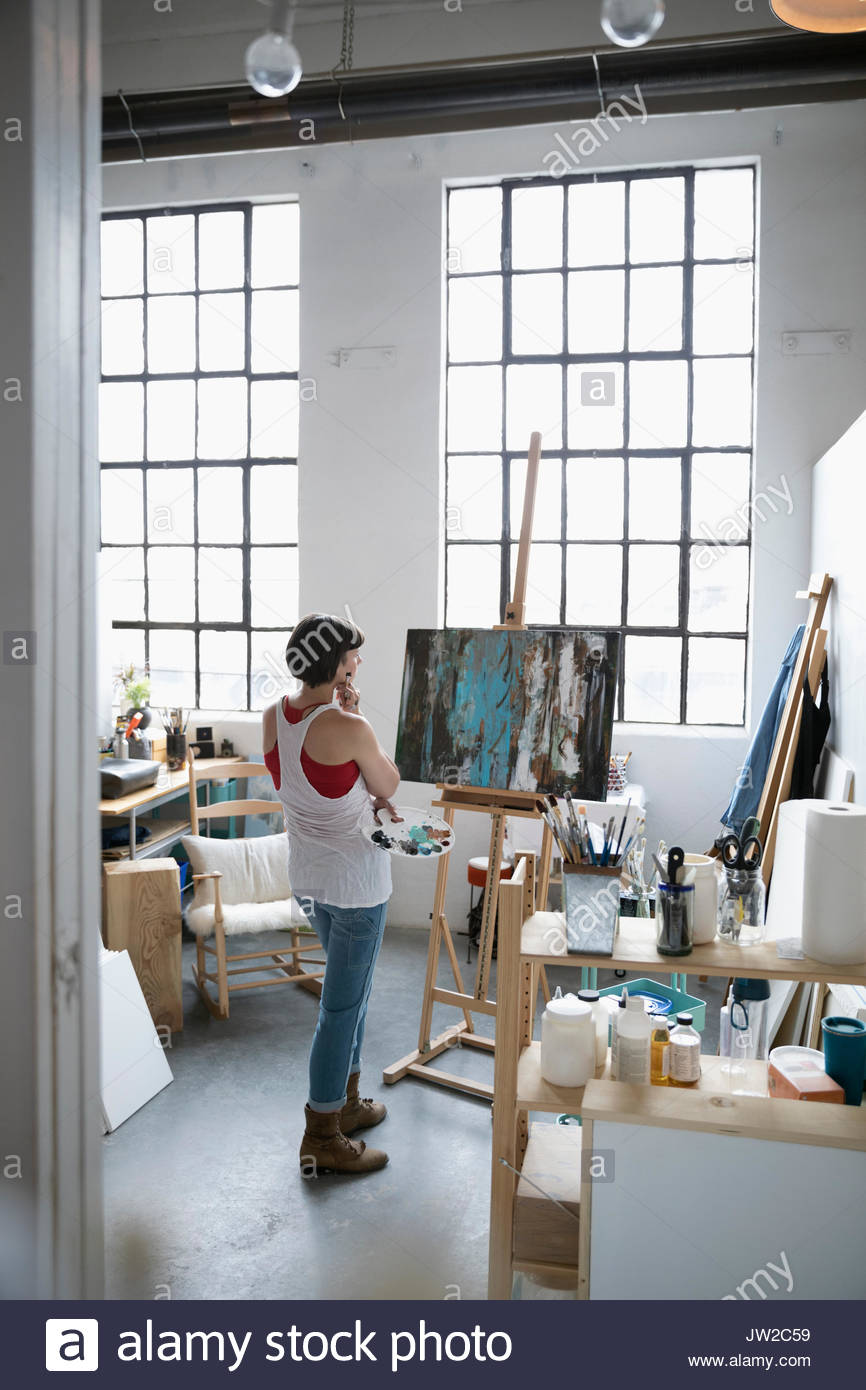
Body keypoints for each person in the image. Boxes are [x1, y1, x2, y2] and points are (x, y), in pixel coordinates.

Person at [262, 614, 400, 1176]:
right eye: (353, 655)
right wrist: (356, 717)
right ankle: (321, 1133)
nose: (359, 661)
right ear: (336, 663)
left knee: (354, 995)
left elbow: (299, 785)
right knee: (341, 1008)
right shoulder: (348, 727)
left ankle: (345, 1103)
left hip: (311, 880)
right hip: (357, 886)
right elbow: (386, 784)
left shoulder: (273, 716)